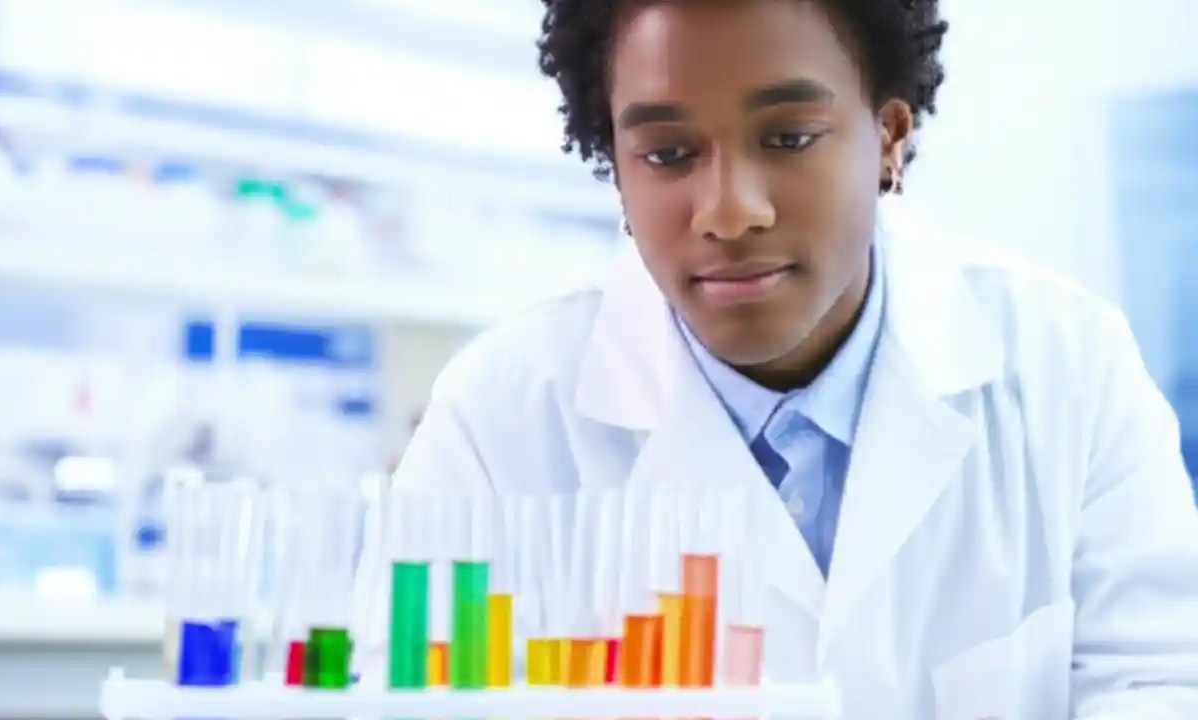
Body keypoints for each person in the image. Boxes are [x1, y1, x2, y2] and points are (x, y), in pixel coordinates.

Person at [376, 1, 1198, 716]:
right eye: (667, 154)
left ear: (888, 137)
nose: (731, 212)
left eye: (789, 137)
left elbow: (1164, 682)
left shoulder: (1070, 366)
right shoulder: (497, 418)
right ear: (616, 166)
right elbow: (403, 704)